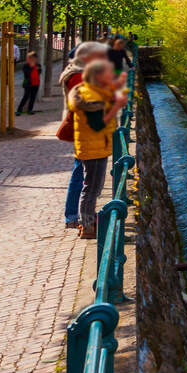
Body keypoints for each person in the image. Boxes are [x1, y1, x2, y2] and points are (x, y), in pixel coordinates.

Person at [70, 57, 126, 239]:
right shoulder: (90, 97)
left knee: (92, 186)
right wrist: (116, 106)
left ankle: (87, 220)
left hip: (93, 146)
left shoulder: (88, 92)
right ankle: (87, 225)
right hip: (94, 147)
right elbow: (98, 124)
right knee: (92, 187)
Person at [58, 41, 109, 230]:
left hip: (86, 130)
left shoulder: (79, 74)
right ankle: (76, 217)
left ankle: (77, 216)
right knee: (83, 175)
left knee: (82, 172)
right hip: (86, 131)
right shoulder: (77, 77)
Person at [16, 50, 41, 114]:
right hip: (28, 83)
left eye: (35, 58)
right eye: (32, 58)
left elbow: (39, 72)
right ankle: (19, 110)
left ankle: (30, 110)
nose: (34, 60)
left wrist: (36, 68)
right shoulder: (26, 66)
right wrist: (32, 67)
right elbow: (26, 74)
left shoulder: (38, 65)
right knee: (26, 96)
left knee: (33, 97)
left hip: (36, 83)